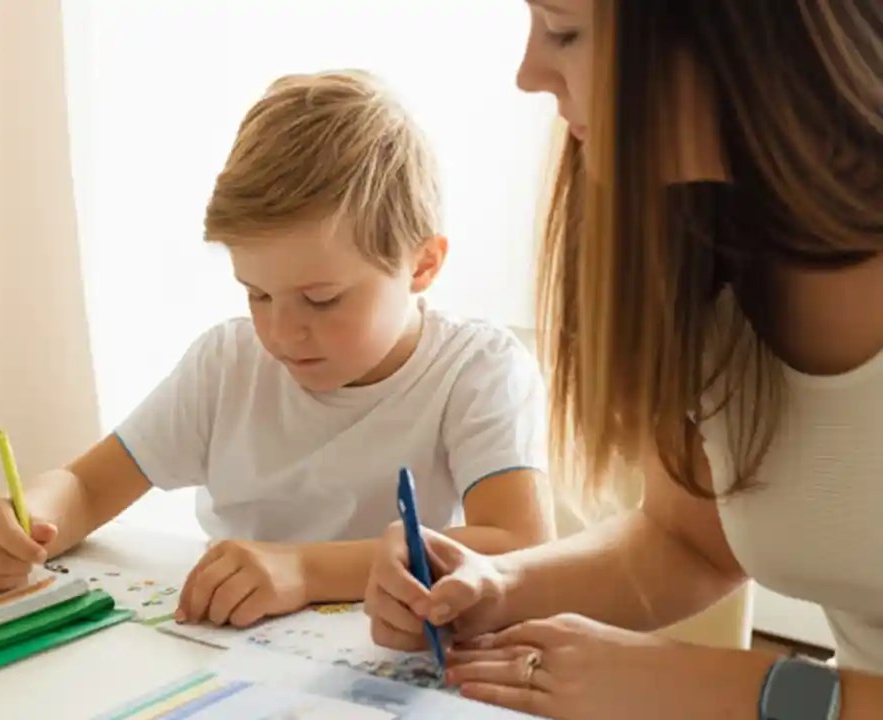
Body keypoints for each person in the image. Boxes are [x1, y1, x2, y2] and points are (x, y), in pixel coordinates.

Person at [365, 0, 882, 717]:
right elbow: (694, 545)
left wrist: (722, 689)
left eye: (565, 31)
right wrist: (498, 587)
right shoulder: (715, 262)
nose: (528, 74)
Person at [0, 69, 555, 629]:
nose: (281, 333)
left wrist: (304, 569)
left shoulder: (477, 371)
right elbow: (87, 488)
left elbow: (519, 545)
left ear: (422, 264)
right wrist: (24, 520)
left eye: (321, 300)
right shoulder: (227, 365)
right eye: (257, 294)